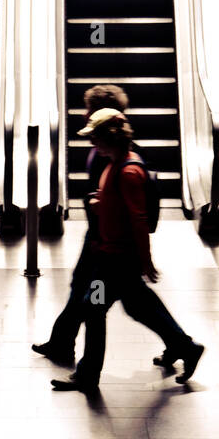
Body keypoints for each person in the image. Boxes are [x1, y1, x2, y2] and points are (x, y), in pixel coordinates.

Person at [51, 109, 204, 392]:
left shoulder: (129, 172)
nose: (92, 143)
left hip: (117, 260)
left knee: (93, 309)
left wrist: (146, 261)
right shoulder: (115, 163)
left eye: (95, 137)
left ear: (111, 137)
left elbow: (139, 219)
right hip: (110, 256)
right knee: (138, 306)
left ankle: (87, 375)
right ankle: (185, 346)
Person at [33, 83, 131, 366]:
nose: (85, 113)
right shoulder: (104, 145)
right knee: (92, 292)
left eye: (90, 108)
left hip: (104, 236)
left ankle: (67, 349)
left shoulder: (111, 150)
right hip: (100, 233)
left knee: (114, 300)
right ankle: (61, 342)